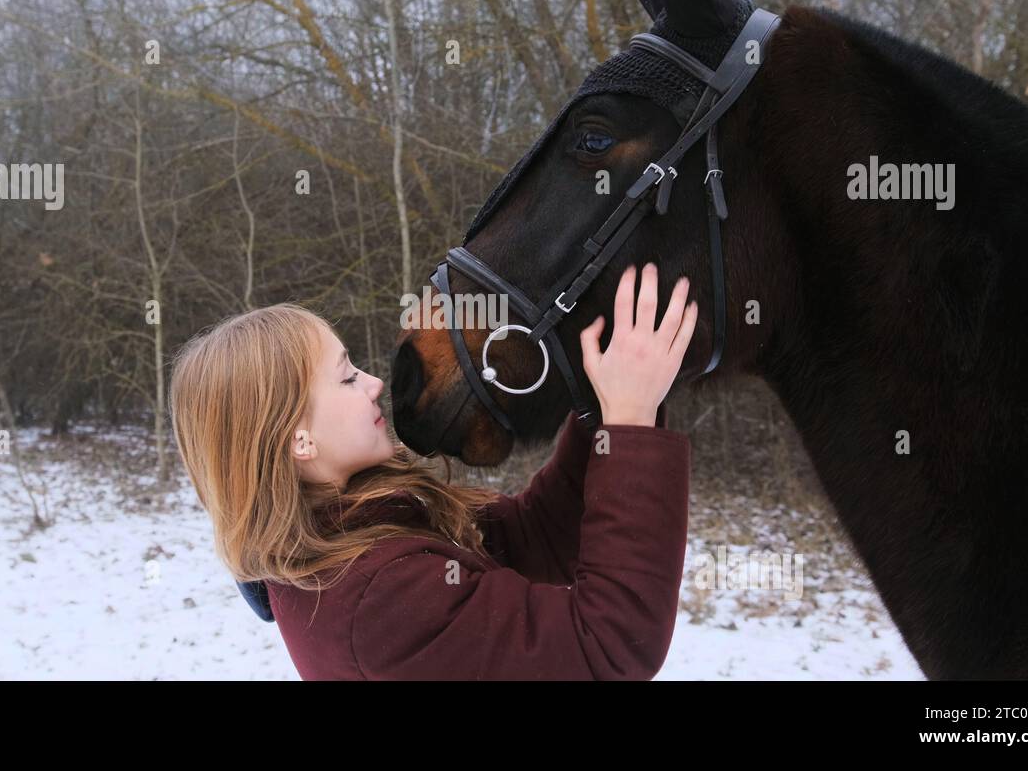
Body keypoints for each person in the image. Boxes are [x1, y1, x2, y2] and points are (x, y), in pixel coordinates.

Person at [169, 263, 697, 680]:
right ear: (297, 440)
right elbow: (604, 647)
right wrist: (631, 423)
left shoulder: (362, 526)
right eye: (347, 377)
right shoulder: (374, 600)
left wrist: (609, 411)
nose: (375, 383)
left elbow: (536, 537)